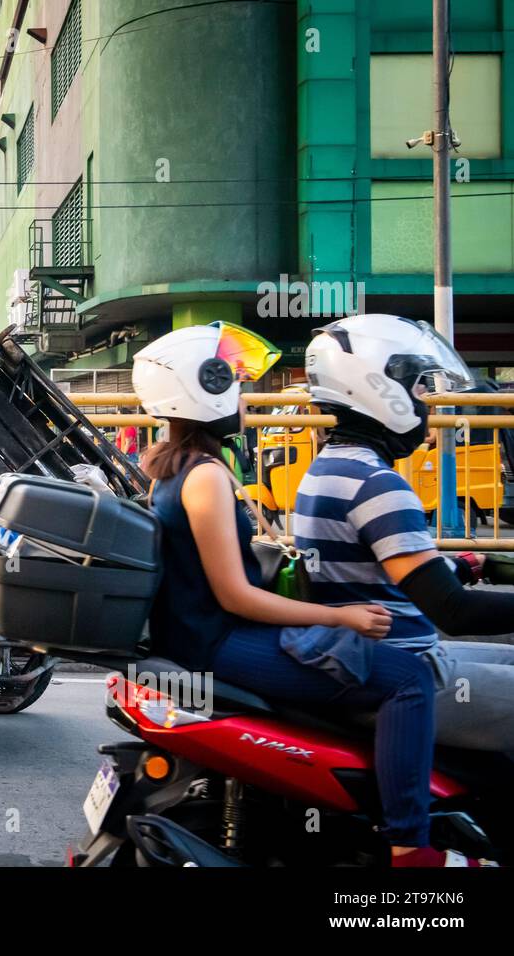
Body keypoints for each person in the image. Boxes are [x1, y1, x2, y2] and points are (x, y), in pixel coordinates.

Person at [132, 320, 489, 868]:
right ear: (203, 385)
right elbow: (234, 597)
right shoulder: (205, 476)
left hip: (200, 635)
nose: (245, 394)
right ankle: (408, 843)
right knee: (408, 679)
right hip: (218, 640)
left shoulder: (171, 468)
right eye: (234, 379)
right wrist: (339, 617)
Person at [295, 314, 514, 757]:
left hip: (374, 658)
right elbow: (453, 611)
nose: (427, 406)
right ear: (377, 386)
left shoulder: (328, 467)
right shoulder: (377, 484)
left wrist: (465, 565)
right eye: (418, 388)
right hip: (405, 668)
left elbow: (383, 570)